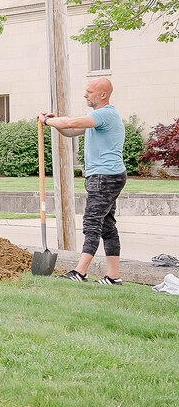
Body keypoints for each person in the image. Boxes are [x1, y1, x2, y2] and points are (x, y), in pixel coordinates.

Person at [39, 77, 126, 285]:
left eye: (89, 92)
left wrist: (46, 120)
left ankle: (79, 272)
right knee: (107, 226)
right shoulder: (99, 118)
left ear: (103, 95)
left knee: (92, 222)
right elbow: (69, 131)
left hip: (104, 177)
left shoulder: (104, 114)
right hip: (109, 176)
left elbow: (71, 122)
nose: (85, 95)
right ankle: (113, 277)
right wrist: (55, 122)